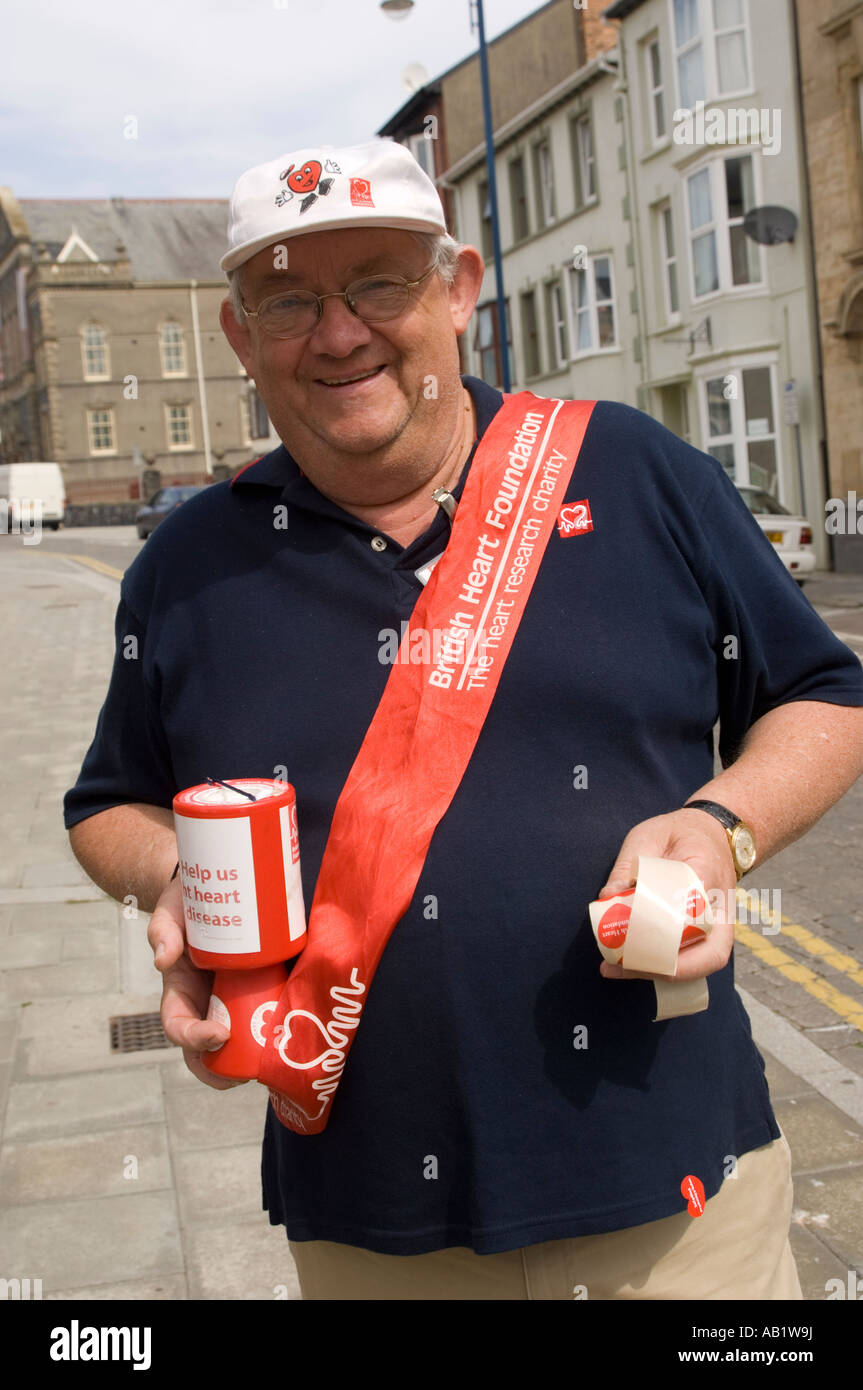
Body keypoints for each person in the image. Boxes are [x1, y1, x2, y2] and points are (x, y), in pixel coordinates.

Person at [65, 138, 863, 1301]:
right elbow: (106, 805)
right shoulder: (185, 567)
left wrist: (717, 825)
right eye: (286, 299)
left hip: (681, 1206)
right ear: (239, 336)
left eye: (379, 282)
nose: (337, 334)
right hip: (368, 1225)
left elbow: (824, 695)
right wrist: (174, 880)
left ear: (459, 288)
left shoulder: (636, 475)